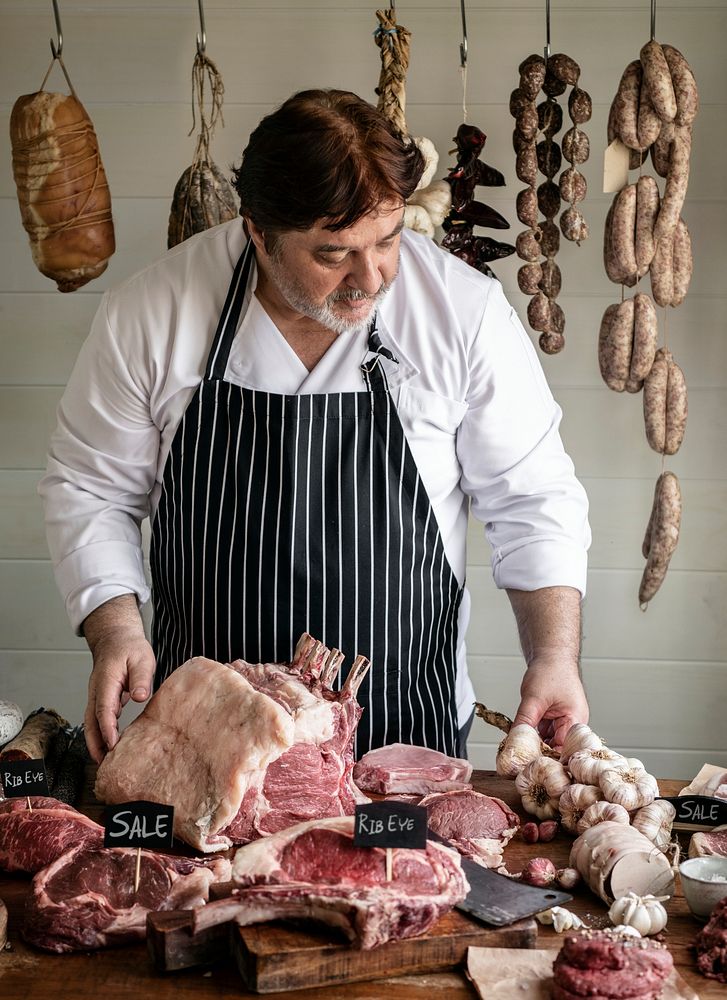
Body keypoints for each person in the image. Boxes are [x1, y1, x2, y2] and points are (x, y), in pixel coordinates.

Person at [39, 89, 591, 766]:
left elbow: (531, 499)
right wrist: (116, 630)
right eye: (333, 255)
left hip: (401, 739)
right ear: (257, 232)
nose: (372, 278)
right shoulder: (154, 313)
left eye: (386, 240)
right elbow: (91, 491)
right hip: (207, 747)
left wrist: (554, 657)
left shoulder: (462, 313)